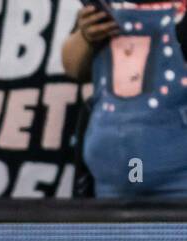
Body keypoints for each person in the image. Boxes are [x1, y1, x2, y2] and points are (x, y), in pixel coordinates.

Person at [62, 0, 187, 198]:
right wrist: (85, 36)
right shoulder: (103, 4)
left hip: (178, 174)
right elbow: (73, 68)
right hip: (113, 173)